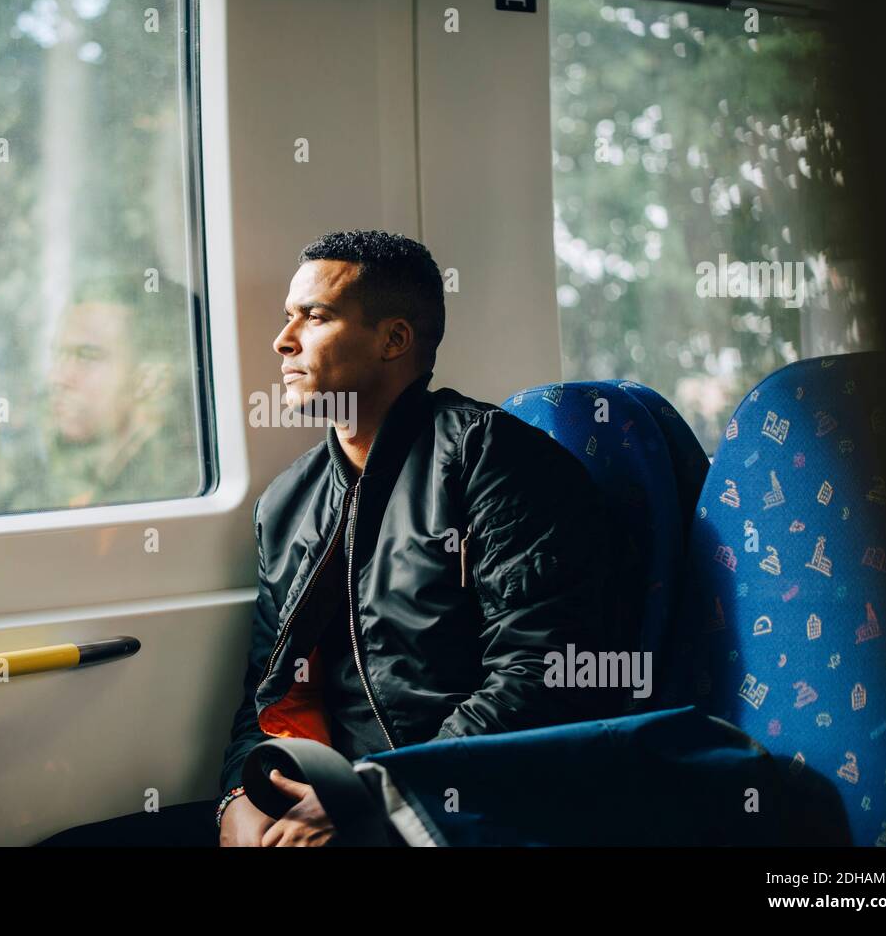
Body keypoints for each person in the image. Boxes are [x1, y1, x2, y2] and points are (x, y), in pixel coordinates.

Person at [217, 229, 625, 847]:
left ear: (394, 339)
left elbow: (541, 673)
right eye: (287, 317)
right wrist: (240, 805)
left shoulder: (491, 458)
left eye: (316, 316)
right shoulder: (285, 504)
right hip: (326, 793)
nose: (283, 339)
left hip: (460, 805)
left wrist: (383, 796)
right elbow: (267, 691)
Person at [45, 273, 199, 508]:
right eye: (59, 355)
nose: (57, 378)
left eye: (87, 356)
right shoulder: (100, 486)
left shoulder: (173, 495)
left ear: (153, 379)